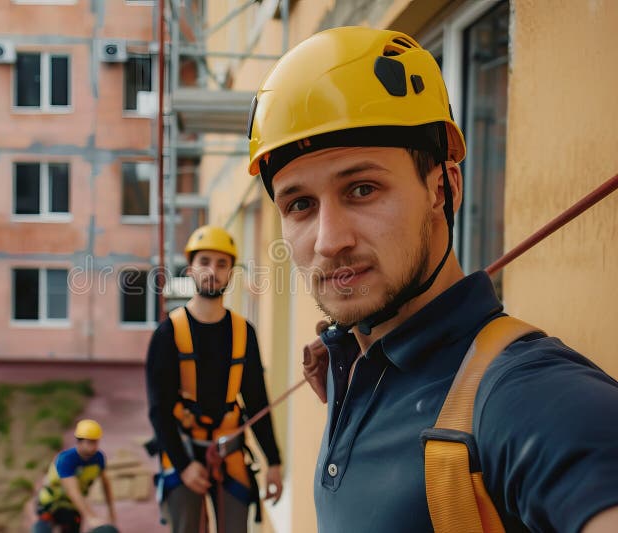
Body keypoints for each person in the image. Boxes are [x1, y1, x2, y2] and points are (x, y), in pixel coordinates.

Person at [246, 25, 618, 533]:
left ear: (443, 186)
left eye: (361, 188)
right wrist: (344, 373)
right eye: (300, 204)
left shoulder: (520, 394)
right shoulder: (351, 361)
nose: (329, 240)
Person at [146, 225, 283, 533]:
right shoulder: (168, 334)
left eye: (222, 264)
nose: (213, 271)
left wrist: (273, 462)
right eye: (204, 261)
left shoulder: (242, 332)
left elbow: (257, 400)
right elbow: (159, 408)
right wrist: (183, 465)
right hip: (184, 449)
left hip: (229, 452)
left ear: (231, 272)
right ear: (191, 268)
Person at [32, 419, 117, 533]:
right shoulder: (66, 459)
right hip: (52, 504)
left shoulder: (98, 458)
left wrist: (111, 511)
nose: (94, 447)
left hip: (73, 507)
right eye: (89, 442)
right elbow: (73, 491)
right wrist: (91, 517)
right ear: (79, 442)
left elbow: (105, 483)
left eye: (96, 442)